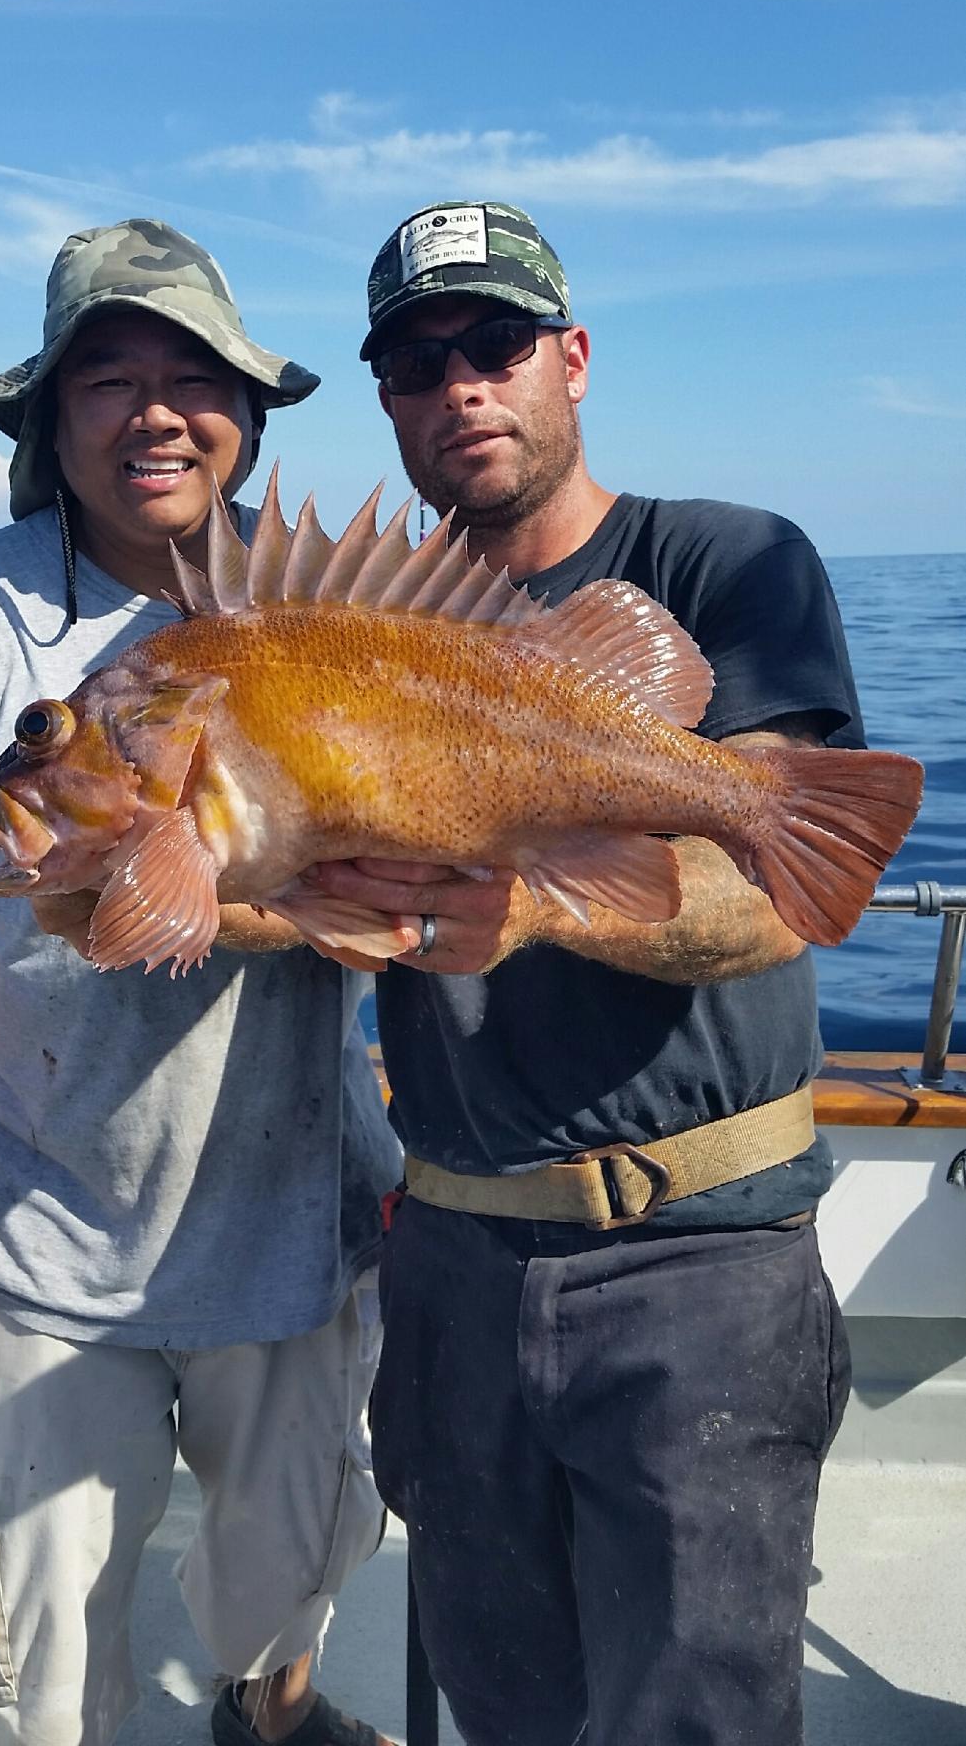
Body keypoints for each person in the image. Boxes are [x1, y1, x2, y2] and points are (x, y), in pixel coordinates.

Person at [307, 200, 859, 1746]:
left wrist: (532, 902)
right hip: (452, 1261)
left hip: (699, 1264)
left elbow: (776, 896)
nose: (458, 387)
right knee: (505, 1706)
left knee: (692, 1716)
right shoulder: (355, 632)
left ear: (573, 357)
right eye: (414, 363)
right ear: (386, 400)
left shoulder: (724, 558)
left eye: (494, 343)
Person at [0, 219, 405, 1746]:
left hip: (297, 1234)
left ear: (248, 415)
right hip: (36, 1249)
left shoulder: (341, 632)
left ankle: (273, 1715)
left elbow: (425, 897)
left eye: (196, 379)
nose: (156, 413)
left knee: (285, 1586)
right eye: (106, 379)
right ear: (48, 423)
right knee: (28, 1679)